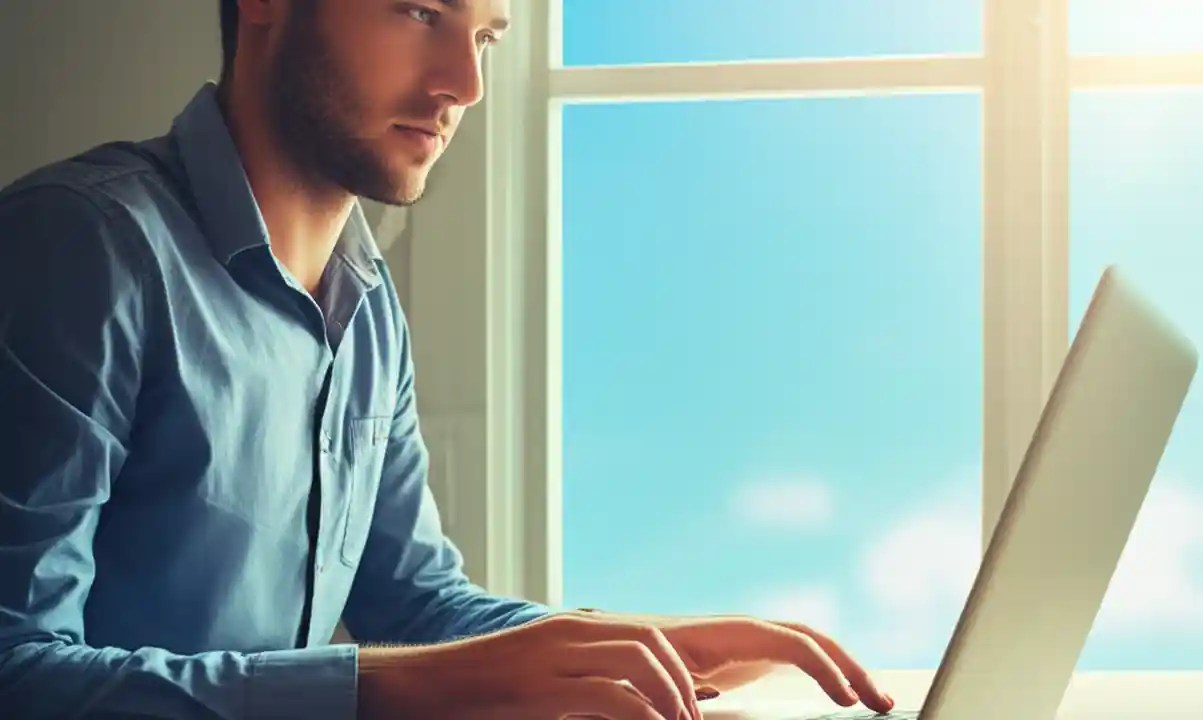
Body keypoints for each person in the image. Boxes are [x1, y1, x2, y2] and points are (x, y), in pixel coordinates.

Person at [0, 1, 896, 718]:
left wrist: (660, 648)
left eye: (487, 36)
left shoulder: (368, 307)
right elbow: (16, 671)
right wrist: (411, 688)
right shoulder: (81, 246)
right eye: (421, 14)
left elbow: (420, 605)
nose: (464, 83)